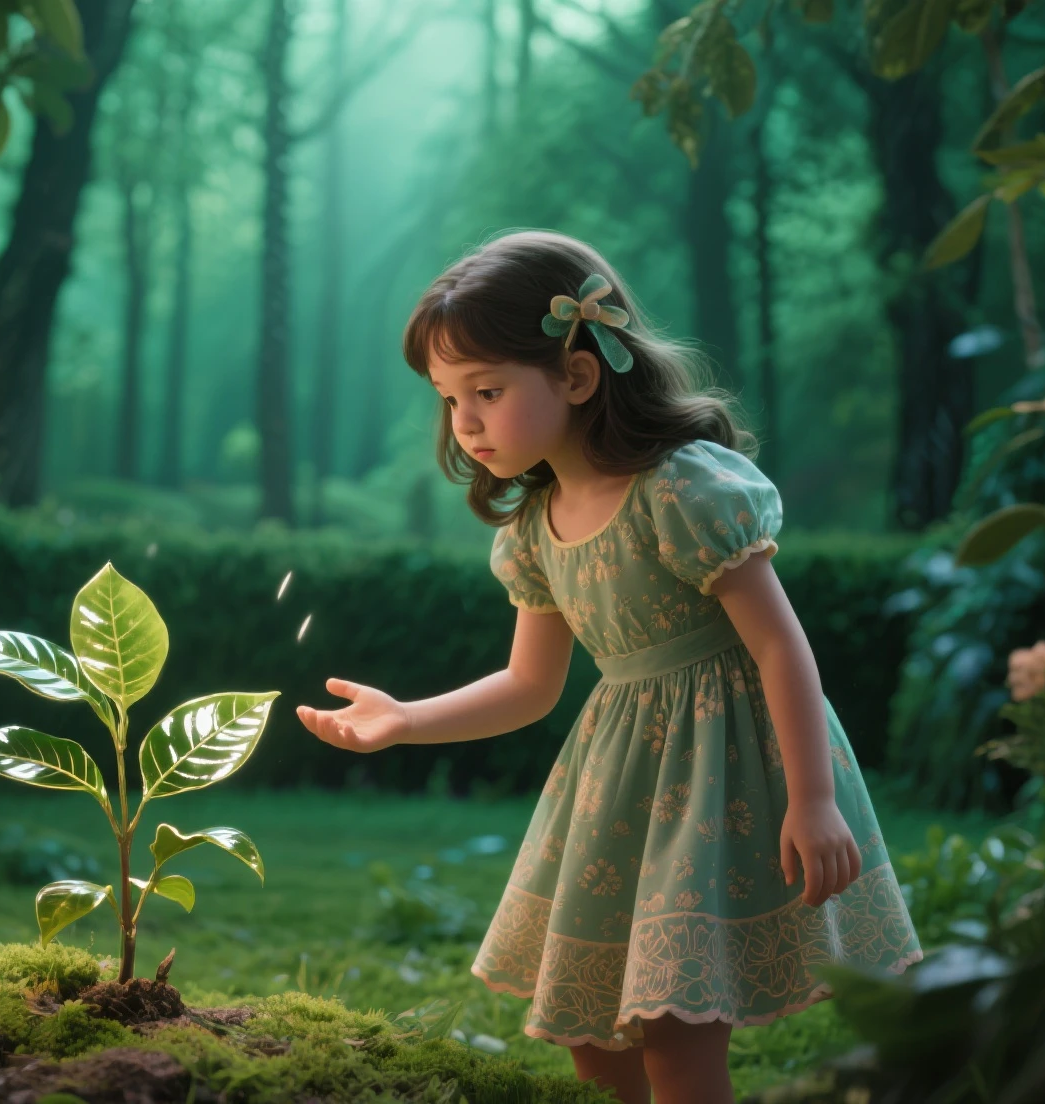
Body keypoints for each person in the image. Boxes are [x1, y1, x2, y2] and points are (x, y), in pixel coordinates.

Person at [295, 230, 921, 1104]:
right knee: (595, 1035)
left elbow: (781, 644)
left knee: (676, 1023)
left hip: (730, 774)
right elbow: (528, 686)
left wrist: (813, 799)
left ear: (580, 376)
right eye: (448, 399)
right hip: (620, 787)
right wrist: (406, 717)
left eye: (487, 390)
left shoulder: (682, 492)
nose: (464, 422)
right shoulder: (533, 532)